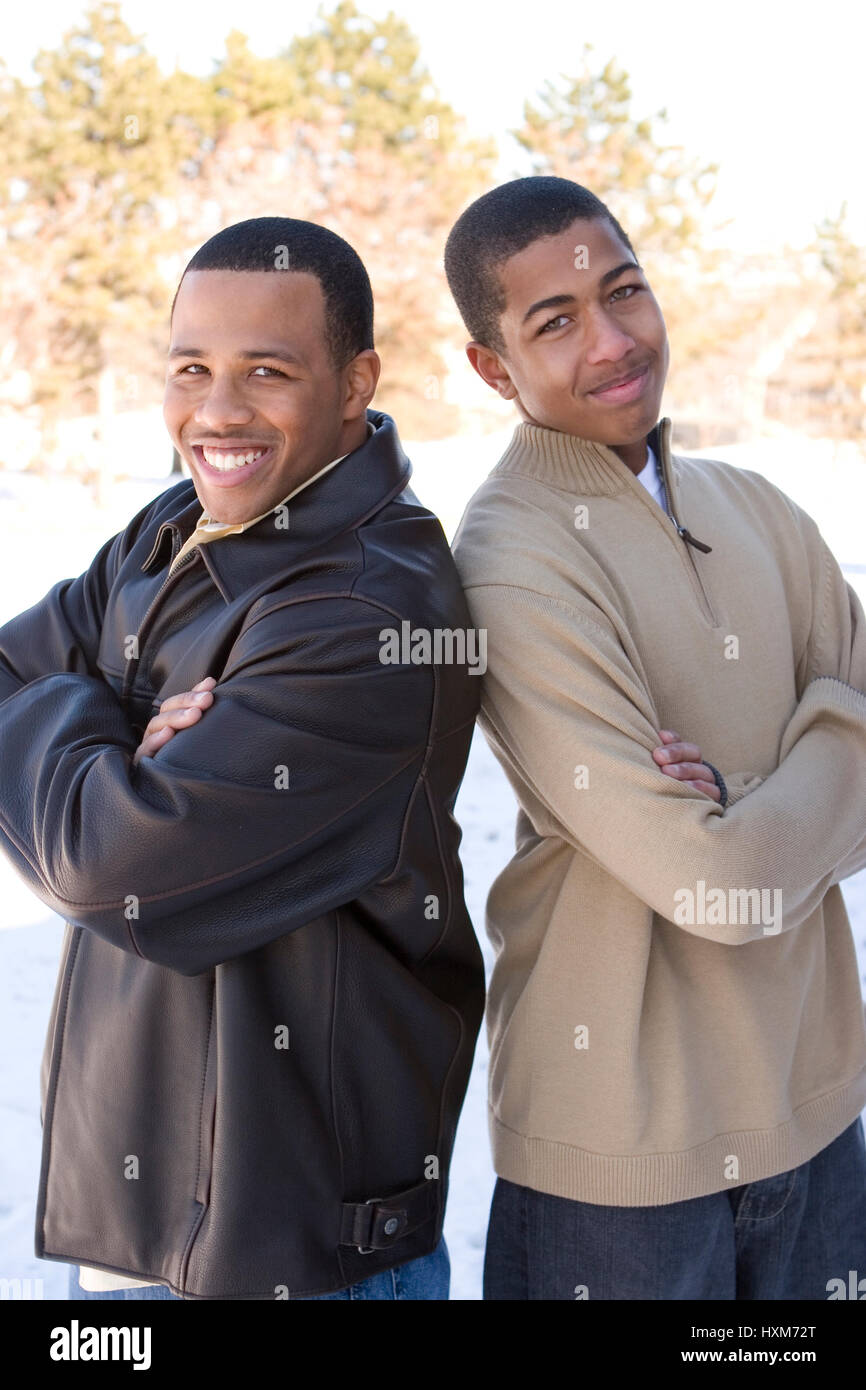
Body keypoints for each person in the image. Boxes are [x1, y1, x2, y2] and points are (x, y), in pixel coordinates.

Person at [0, 217, 485, 1300]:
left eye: (265, 372)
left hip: (294, 1251)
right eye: (191, 369)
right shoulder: (176, 527)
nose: (216, 411)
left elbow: (111, 871)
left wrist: (80, 729)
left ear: (356, 380)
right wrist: (114, 728)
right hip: (139, 1232)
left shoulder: (369, 607)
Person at [445, 176, 866, 1300]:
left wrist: (747, 781)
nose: (614, 338)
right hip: (620, 1173)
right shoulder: (509, 556)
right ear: (492, 368)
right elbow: (713, 878)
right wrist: (834, 729)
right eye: (555, 322)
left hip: (817, 1118)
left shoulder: (758, 508)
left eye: (622, 291)